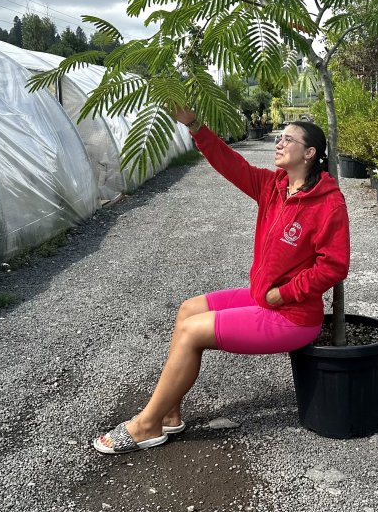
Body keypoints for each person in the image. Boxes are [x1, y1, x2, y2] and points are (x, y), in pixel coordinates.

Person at [93, 108, 351, 454]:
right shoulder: (273, 187)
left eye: (288, 139)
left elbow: (334, 266)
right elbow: (229, 163)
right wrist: (195, 125)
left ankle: (146, 424)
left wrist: (284, 294)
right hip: (265, 298)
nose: (279, 142)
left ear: (309, 153)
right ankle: (170, 413)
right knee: (189, 310)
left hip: (292, 315)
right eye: (280, 137)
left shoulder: (328, 203)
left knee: (192, 332)